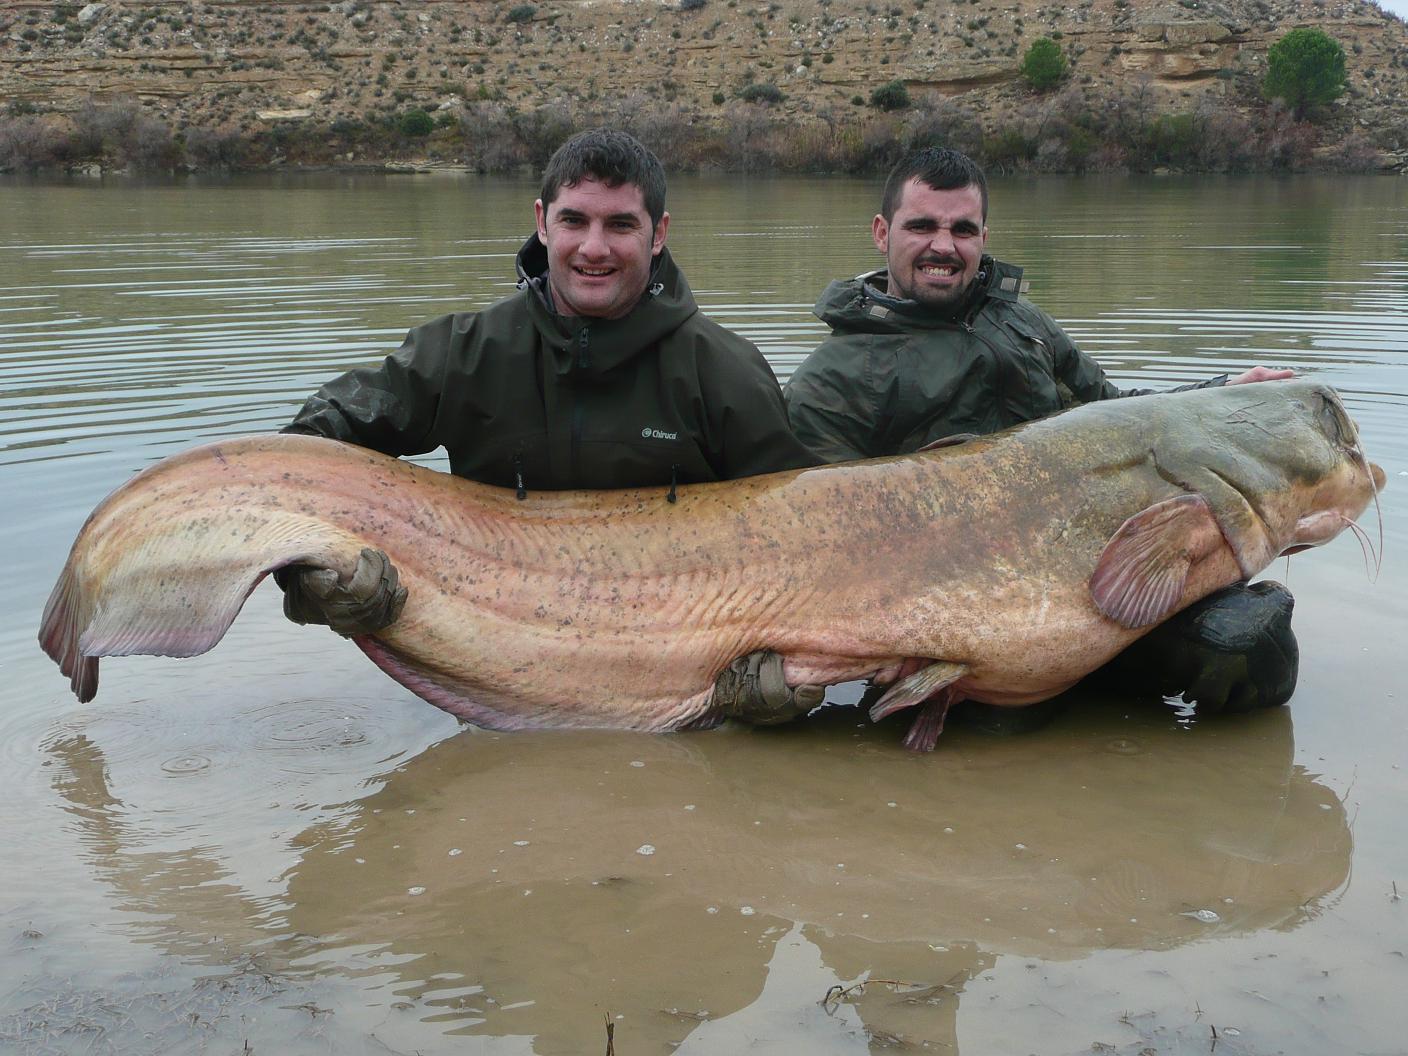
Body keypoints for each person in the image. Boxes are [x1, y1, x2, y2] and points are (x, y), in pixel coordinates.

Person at [781, 146, 1298, 727]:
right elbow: (811, 537)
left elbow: (1116, 413)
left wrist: (1222, 390)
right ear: (882, 232)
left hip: (1095, 582)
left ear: (983, 236)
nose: (943, 247)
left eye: (963, 229)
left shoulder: (1024, 325)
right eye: (921, 226)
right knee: (998, 743)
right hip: (954, 620)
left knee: (1252, 646)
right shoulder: (831, 379)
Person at [276, 129, 822, 673]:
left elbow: (804, 538)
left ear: (659, 234)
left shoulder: (725, 370)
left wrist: (777, 667)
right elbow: (304, 451)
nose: (594, 248)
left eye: (621, 224)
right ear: (542, 222)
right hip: (491, 663)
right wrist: (319, 573)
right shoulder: (462, 352)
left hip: (677, 665)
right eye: (574, 220)